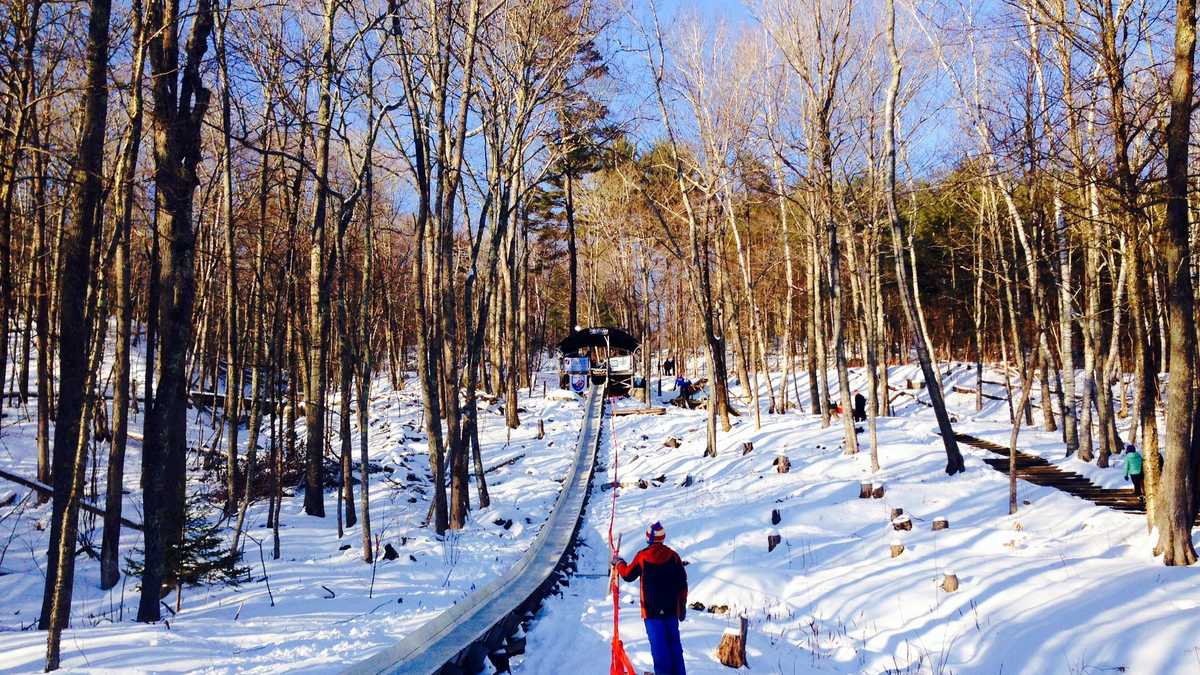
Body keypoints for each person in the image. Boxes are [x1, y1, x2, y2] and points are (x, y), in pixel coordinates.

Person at [613, 522, 688, 675]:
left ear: (648, 538)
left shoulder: (643, 556)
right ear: (663, 538)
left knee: (659, 650)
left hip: (651, 612)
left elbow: (628, 574)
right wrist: (682, 605)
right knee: (674, 647)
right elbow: (682, 583)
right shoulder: (673, 556)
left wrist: (619, 563)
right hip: (671, 611)